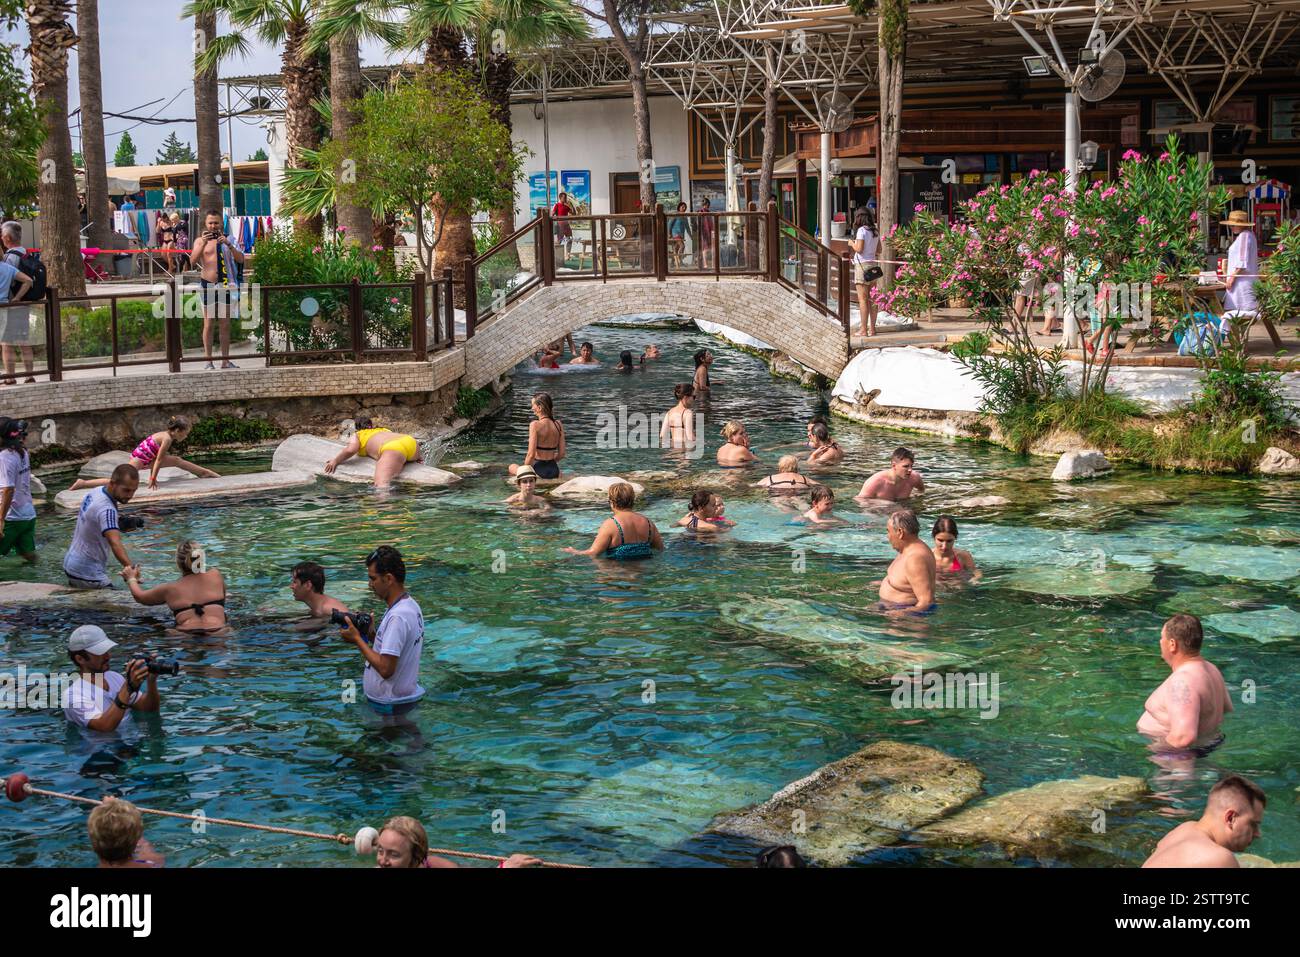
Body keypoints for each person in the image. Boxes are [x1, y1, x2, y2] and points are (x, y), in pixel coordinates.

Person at [337, 546, 425, 715]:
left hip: (391, 704)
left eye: (373, 579)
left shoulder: (397, 616)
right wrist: (371, 635)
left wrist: (357, 639)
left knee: (391, 739)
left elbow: (386, 669)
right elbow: (395, 650)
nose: (370, 585)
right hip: (400, 699)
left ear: (389, 578)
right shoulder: (409, 604)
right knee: (409, 738)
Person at [1137, 613, 1233, 752]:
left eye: (1162, 637)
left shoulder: (1182, 682)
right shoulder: (1211, 669)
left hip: (1179, 762)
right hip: (1204, 748)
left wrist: (1162, 757)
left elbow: (1183, 738)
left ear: (1172, 644)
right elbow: (1226, 709)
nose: (1160, 641)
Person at [1142, 775, 1266, 868]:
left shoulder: (1185, 829)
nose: (1257, 834)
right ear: (1230, 818)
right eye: (1253, 824)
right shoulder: (1220, 859)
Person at [70, 416, 219, 491]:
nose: (186, 437)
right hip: (140, 459)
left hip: (148, 458)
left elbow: (157, 458)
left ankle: (205, 473)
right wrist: (153, 478)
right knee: (118, 481)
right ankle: (83, 483)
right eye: (185, 434)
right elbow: (159, 460)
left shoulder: (166, 435)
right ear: (178, 431)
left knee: (177, 460)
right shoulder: (167, 439)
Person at [63, 624, 161, 732]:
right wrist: (128, 687)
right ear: (80, 659)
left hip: (130, 743)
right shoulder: (73, 695)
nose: (108, 656)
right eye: (100, 652)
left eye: (107, 650)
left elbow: (149, 709)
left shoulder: (114, 677)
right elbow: (104, 726)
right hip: (100, 748)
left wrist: (151, 681)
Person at [122, 540, 229, 636]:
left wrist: (131, 578)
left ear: (178, 563)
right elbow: (223, 598)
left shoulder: (169, 589)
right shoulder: (215, 575)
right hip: (219, 631)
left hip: (184, 634)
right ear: (201, 559)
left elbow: (140, 597)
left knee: (169, 632)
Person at [63, 464, 140, 589]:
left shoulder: (97, 491)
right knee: (122, 606)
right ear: (113, 483)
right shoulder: (107, 509)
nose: (130, 495)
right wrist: (132, 571)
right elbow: (115, 543)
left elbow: (95, 522)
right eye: (126, 490)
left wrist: (120, 524)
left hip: (73, 563)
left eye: (134, 490)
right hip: (87, 572)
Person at [191, 209, 246, 370]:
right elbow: (193, 261)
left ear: (221, 223)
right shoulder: (199, 241)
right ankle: (208, 361)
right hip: (207, 284)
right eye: (211, 223)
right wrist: (202, 244)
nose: (214, 226)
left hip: (225, 284)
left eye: (216, 222)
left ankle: (225, 360)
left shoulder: (229, 239)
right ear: (206, 224)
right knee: (208, 323)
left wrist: (228, 244)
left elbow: (241, 259)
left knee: (224, 324)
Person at [375, 816, 540, 868]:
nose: (382, 861)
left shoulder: (429, 863)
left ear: (417, 856)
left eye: (393, 854)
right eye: (380, 850)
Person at [564, 482, 663, 560]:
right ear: (633, 500)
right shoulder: (649, 523)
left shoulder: (611, 524)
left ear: (612, 502)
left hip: (617, 572)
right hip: (643, 572)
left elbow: (593, 553)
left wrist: (574, 551)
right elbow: (660, 549)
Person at [325, 416, 422, 490]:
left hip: (394, 448)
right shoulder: (383, 429)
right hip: (411, 442)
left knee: (381, 487)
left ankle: (388, 514)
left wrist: (335, 461)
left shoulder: (358, 434)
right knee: (400, 455)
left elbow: (351, 449)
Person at [877, 509, 936, 613]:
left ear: (900, 532)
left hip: (905, 619)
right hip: (890, 608)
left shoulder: (915, 558)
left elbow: (927, 602)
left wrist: (900, 614)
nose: (888, 536)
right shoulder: (906, 550)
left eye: (888, 531)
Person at [1, 221, 37, 386]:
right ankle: (30, 375)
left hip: (9, 306)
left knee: (7, 343)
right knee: (24, 341)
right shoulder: (27, 254)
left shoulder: (9, 258)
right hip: (24, 305)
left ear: (7, 237)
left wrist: (15, 298)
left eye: (2, 235)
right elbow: (28, 280)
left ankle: (10, 377)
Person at [88, 798, 164, 868]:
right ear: (137, 836)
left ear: (92, 837)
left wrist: (108, 809)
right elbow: (144, 846)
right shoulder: (152, 863)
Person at [0, 417, 36, 563]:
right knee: (29, 557)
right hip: (28, 516)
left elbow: (8, 489)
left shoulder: (4, 458)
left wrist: (0, 520)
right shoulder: (22, 452)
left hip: (11, 518)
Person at [508, 393, 565, 480]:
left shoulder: (535, 425)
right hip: (553, 469)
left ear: (539, 408)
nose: (532, 408)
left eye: (533, 405)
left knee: (512, 466)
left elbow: (531, 455)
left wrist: (525, 470)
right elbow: (561, 454)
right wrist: (549, 462)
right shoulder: (558, 424)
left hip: (538, 469)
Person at [1220, 209, 1259, 333]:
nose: (1231, 227)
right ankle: (1240, 341)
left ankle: (1239, 342)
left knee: (1239, 313)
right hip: (1244, 281)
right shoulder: (1249, 235)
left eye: (1233, 224)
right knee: (1240, 314)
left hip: (1242, 282)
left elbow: (1242, 261)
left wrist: (1231, 278)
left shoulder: (1244, 236)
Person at [849, 206, 879, 337]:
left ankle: (863, 330)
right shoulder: (875, 231)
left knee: (863, 299)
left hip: (862, 266)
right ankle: (872, 329)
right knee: (873, 300)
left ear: (859, 218)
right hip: (874, 266)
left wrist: (851, 243)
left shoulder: (861, 231)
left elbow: (859, 248)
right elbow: (880, 250)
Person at [857, 447, 924, 501]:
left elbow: (921, 491)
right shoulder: (875, 482)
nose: (910, 470)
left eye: (911, 466)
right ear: (894, 465)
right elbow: (860, 501)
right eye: (905, 466)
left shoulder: (914, 478)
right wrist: (885, 504)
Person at [931, 515, 979, 579]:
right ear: (934, 537)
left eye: (949, 541)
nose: (944, 546)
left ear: (955, 538)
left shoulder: (963, 556)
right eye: (940, 540)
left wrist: (974, 580)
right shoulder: (926, 556)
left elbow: (976, 573)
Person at [659, 383, 696, 451]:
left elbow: (662, 435)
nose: (694, 399)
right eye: (693, 396)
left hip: (673, 449)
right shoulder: (687, 413)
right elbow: (690, 438)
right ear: (686, 397)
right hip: (684, 450)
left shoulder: (669, 412)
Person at [551, 191, 574, 267]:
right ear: (560, 198)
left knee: (570, 239)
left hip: (566, 225)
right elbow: (552, 214)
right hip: (560, 225)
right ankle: (556, 257)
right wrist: (554, 218)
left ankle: (568, 254)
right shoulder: (557, 205)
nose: (565, 199)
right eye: (563, 198)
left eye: (565, 197)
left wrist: (569, 207)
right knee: (559, 241)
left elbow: (572, 213)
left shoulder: (567, 206)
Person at [668, 201, 688, 267]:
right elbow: (669, 224)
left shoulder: (685, 217)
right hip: (675, 234)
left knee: (676, 249)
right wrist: (669, 234)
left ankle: (672, 263)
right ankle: (680, 260)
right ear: (679, 208)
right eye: (683, 207)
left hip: (681, 235)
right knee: (682, 246)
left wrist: (690, 235)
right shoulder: (676, 215)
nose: (684, 208)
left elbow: (687, 227)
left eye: (685, 207)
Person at [698, 197, 715, 269]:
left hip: (710, 232)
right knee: (705, 249)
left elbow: (711, 223)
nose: (706, 206)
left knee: (712, 248)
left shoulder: (708, 212)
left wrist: (713, 232)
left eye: (707, 204)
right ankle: (705, 264)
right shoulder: (700, 212)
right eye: (705, 204)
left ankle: (713, 264)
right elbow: (699, 224)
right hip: (704, 232)